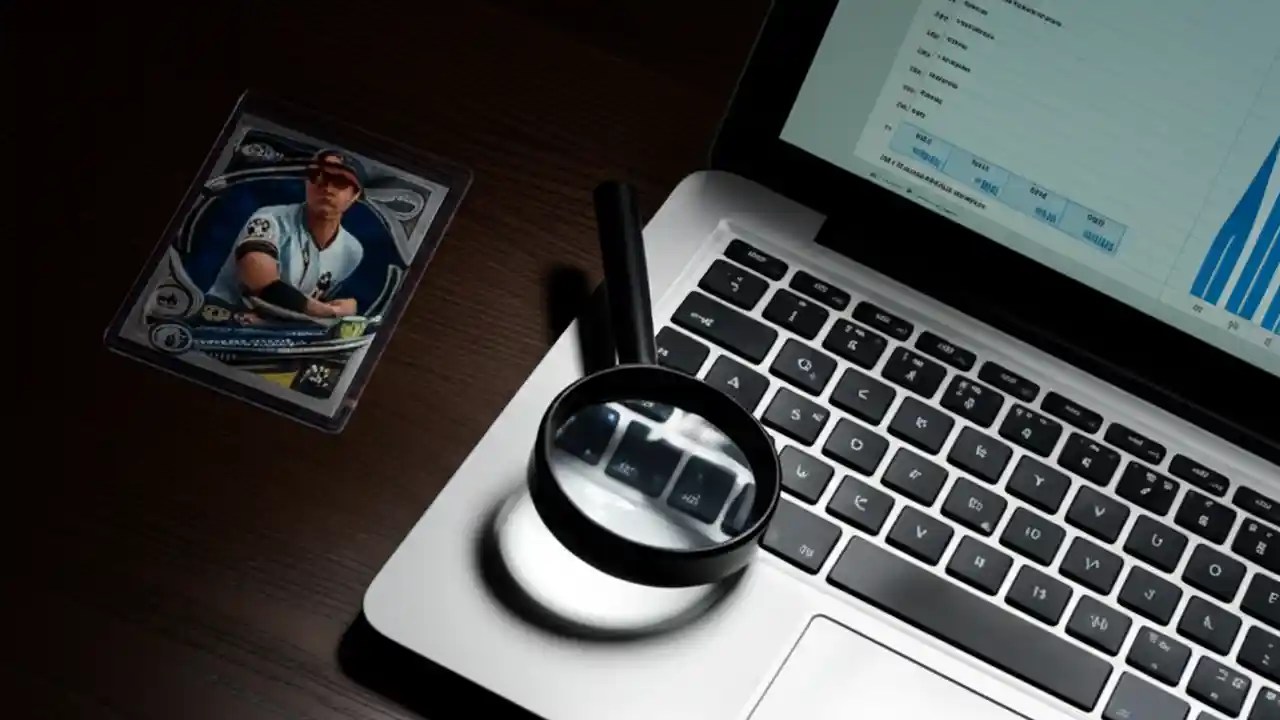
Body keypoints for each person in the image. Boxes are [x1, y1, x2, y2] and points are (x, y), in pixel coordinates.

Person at [206, 149, 366, 320]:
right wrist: (326, 311)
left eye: (340, 181)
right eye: (316, 176)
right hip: (223, 317)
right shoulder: (271, 219)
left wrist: (343, 306)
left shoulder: (351, 250)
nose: (326, 187)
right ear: (307, 183)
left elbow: (320, 299)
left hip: (281, 330)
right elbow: (259, 282)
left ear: (355, 194)